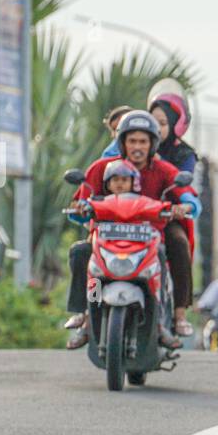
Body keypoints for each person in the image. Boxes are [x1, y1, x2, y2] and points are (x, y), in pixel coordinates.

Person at [64, 110, 201, 348]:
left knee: (177, 244)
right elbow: (82, 201)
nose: (137, 147)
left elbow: (191, 200)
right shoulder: (101, 168)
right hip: (106, 237)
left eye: (143, 141)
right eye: (132, 141)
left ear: (153, 144)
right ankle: (86, 315)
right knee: (82, 255)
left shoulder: (165, 171)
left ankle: (175, 315)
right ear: (122, 142)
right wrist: (79, 209)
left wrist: (185, 207)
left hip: (150, 238)